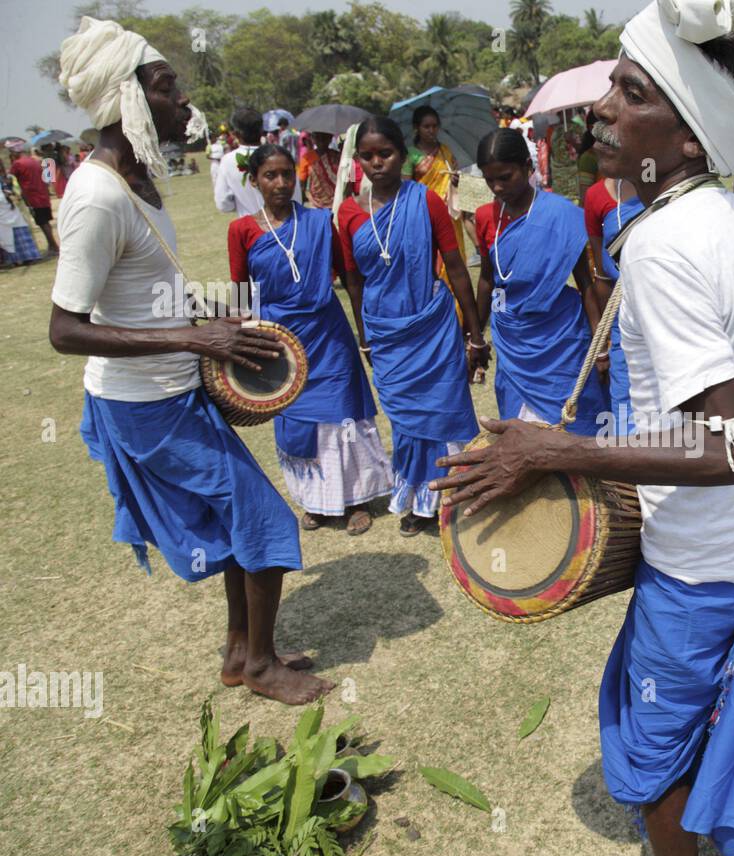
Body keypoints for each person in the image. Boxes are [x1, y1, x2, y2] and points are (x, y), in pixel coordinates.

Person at [433, 0, 734, 856]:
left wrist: (553, 451)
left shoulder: (663, 247)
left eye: (631, 91)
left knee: (653, 762)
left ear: (688, 138)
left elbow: (724, 446)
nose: (604, 109)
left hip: (699, 570)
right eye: (612, 86)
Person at [50, 16, 328, 704]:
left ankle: (242, 653)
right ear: (127, 97)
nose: (183, 100)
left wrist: (206, 319)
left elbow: (143, 296)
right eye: (167, 86)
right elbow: (64, 329)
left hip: (177, 391)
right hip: (145, 405)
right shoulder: (94, 196)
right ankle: (261, 667)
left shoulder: (138, 183)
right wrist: (191, 340)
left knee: (240, 522)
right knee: (263, 518)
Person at [228, 144, 391, 535]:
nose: (282, 183)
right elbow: (237, 288)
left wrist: (363, 330)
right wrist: (240, 339)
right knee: (296, 419)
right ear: (254, 181)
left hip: (328, 335)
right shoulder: (242, 230)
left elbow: (349, 275)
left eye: (288, 174)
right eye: (270, 176)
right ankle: (316, 501)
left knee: (342, 413)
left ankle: (356, 499)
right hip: (279, 341)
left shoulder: (319, 222)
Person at [337, 116, 486, 537]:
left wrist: (474, 333)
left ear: (402, 155)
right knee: (405, 422)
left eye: (385, 153)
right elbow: (352, 280)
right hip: (387, 336)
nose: (376, 162)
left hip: (432, 330)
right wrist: (364, 336)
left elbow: (456, 267)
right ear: (358, 162)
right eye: (367, 156)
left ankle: (454, 497)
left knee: (445, 412)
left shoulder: (426, 200)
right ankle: (420, 503)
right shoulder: (348, 213)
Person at [473, 129, 608, 434]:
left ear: (526, 167)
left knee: (572, 427)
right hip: (512, 342)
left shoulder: (561, 214)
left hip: (562, 341)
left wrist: (600, 346)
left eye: (505, 177)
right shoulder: (485, 218)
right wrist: (476, 335)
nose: (497, 187)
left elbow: (585, 283)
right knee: (521, 431)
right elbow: (488, 280)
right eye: (489, 180)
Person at [584, 172, 644, 434]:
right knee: (625, 408)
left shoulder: (667, 185)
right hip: (624, 325)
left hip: (670, 317)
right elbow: (601, 275)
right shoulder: (596, 197)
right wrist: (604, 341)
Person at [404, 106, 469, 324]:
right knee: (430, 265)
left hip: (448, 218)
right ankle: (432, 313)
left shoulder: (446, 152)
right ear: (416, 128)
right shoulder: (410, 155)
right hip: (422, 216)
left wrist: (456, 181)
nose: (432, 130)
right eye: (426, 126)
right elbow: (405, 187)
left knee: (453, 265)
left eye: (435, 126)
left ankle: (457, 315)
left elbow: (456, 178)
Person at [215, 107, 301, 217]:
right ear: (261, 130)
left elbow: (223, 203)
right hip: (286, 224)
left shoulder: (228, 161)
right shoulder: (280, 157)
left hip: (250, 226)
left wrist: (242, 202)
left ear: (235, 134)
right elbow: (296, 195)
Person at [10, 149, 58, 256]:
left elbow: (11, 178)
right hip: (43, 195)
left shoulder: (17, 164)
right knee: (46, 221)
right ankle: (51, 245)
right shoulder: (34, 161)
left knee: (42, 222)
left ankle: (54, 246)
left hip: (32, 197)